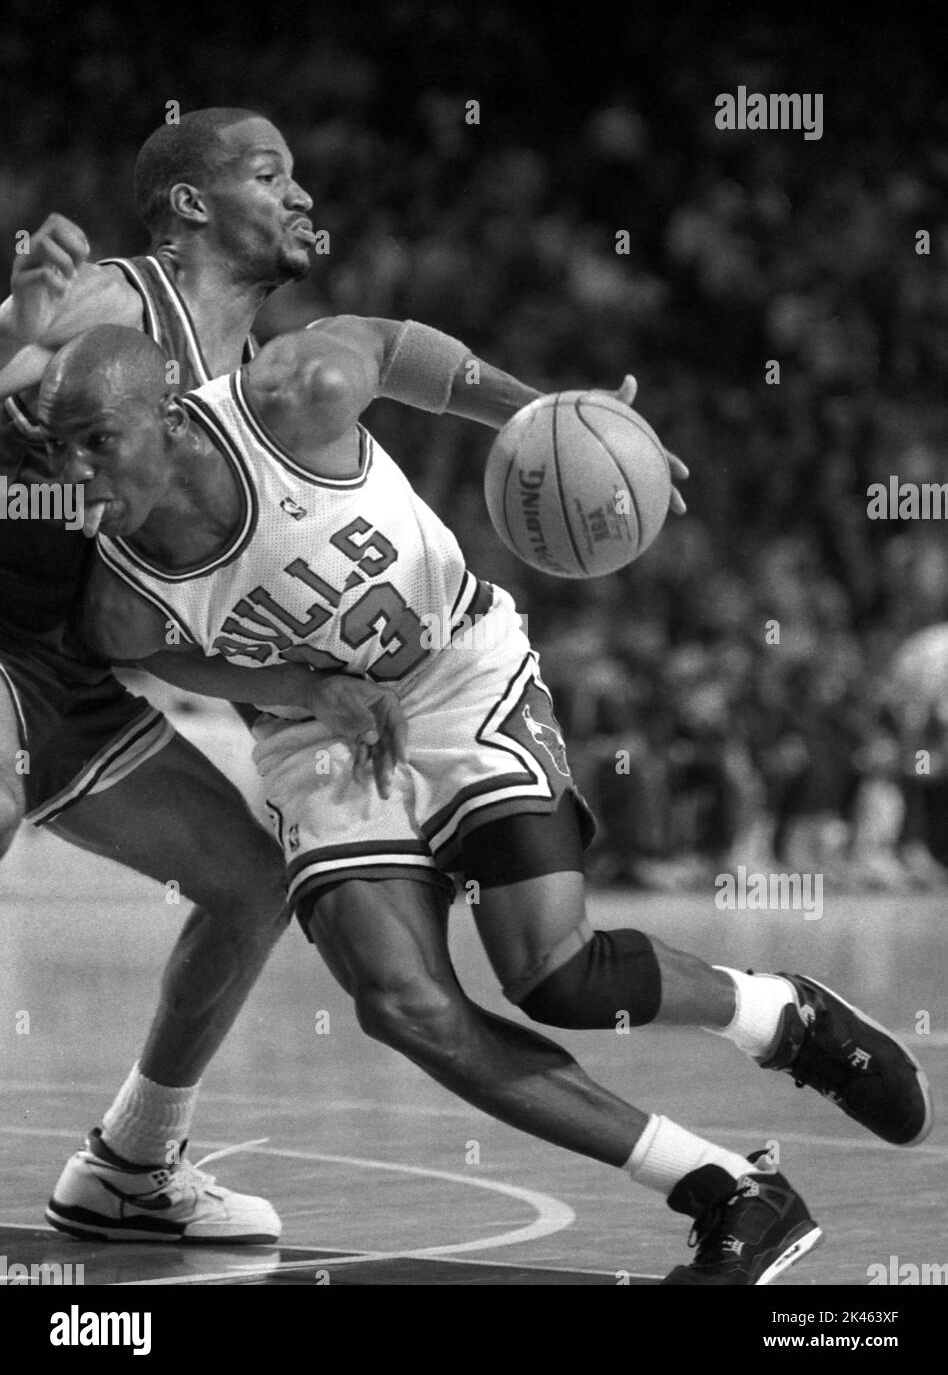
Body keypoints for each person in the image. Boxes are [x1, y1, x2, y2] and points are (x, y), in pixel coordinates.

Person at [38, 317, 933, 1284]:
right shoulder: (119, 597)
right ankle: (727, 1189)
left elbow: (407, 355)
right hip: (322, 737)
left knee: (558, 977)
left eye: (101, 441)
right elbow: (155, 652)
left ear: (169, 415)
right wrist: (308, 693)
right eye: (61, 448)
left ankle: (781, 1018)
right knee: (401, 1005)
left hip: (461, 669)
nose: (77, 474)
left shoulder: (298, 392)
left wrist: (543, 413)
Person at [0, 109, 405, 1242]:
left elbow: (169, 622)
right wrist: (18, 324)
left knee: (247, 881)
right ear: (191, 204)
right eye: (269, 173)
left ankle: (131, 1162)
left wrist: (306, 689)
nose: (298, 194)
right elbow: (19, 353)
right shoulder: (124, 304)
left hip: (69, 669)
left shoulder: (256, 386)